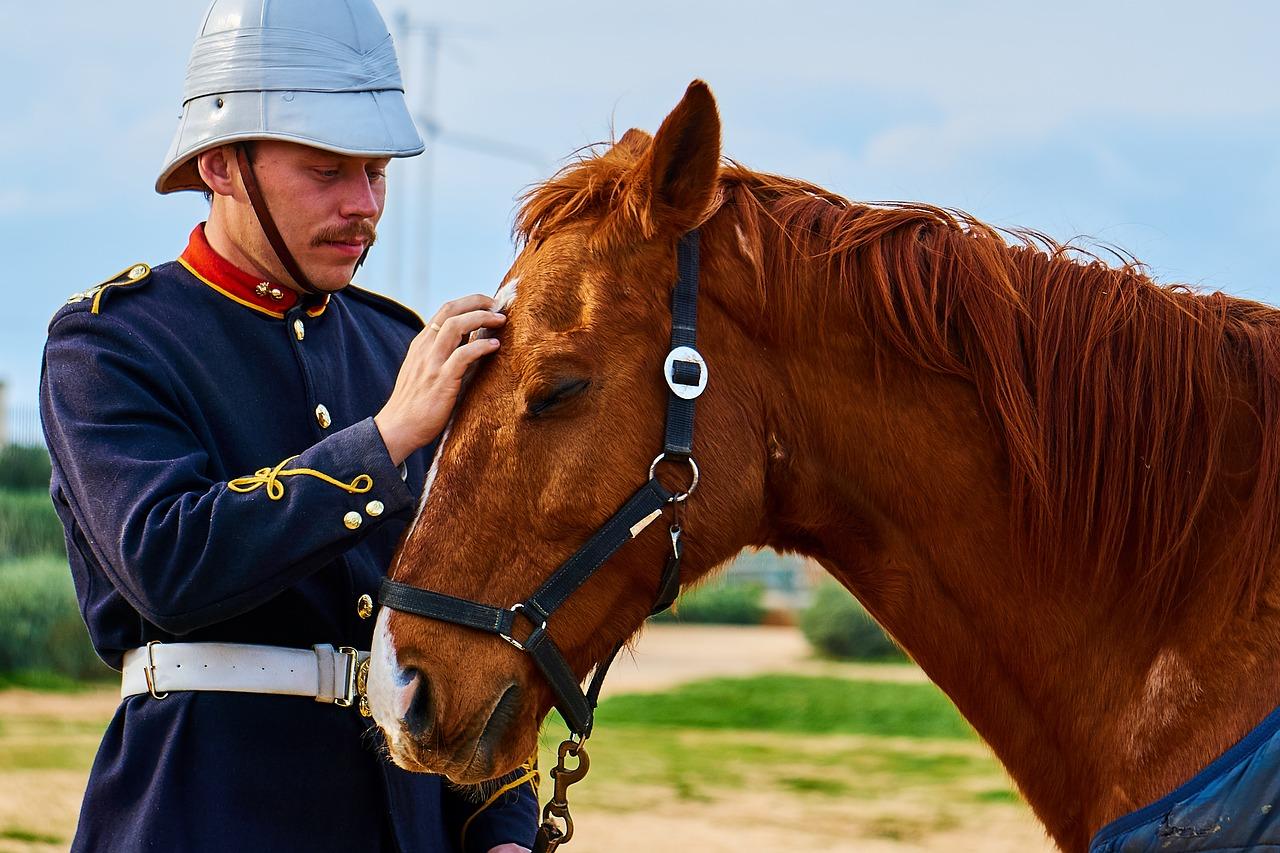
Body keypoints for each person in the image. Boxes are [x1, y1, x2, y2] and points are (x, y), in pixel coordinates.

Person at [38, 0, 535, 850]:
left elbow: (463, 612)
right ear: (223, 164)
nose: (365, 205)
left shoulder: (393, 343)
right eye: (328, 170)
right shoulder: (110, 339)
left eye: (377, 171)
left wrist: (500, 826)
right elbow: (167, 564)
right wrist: (385, 441)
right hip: (201, 807)